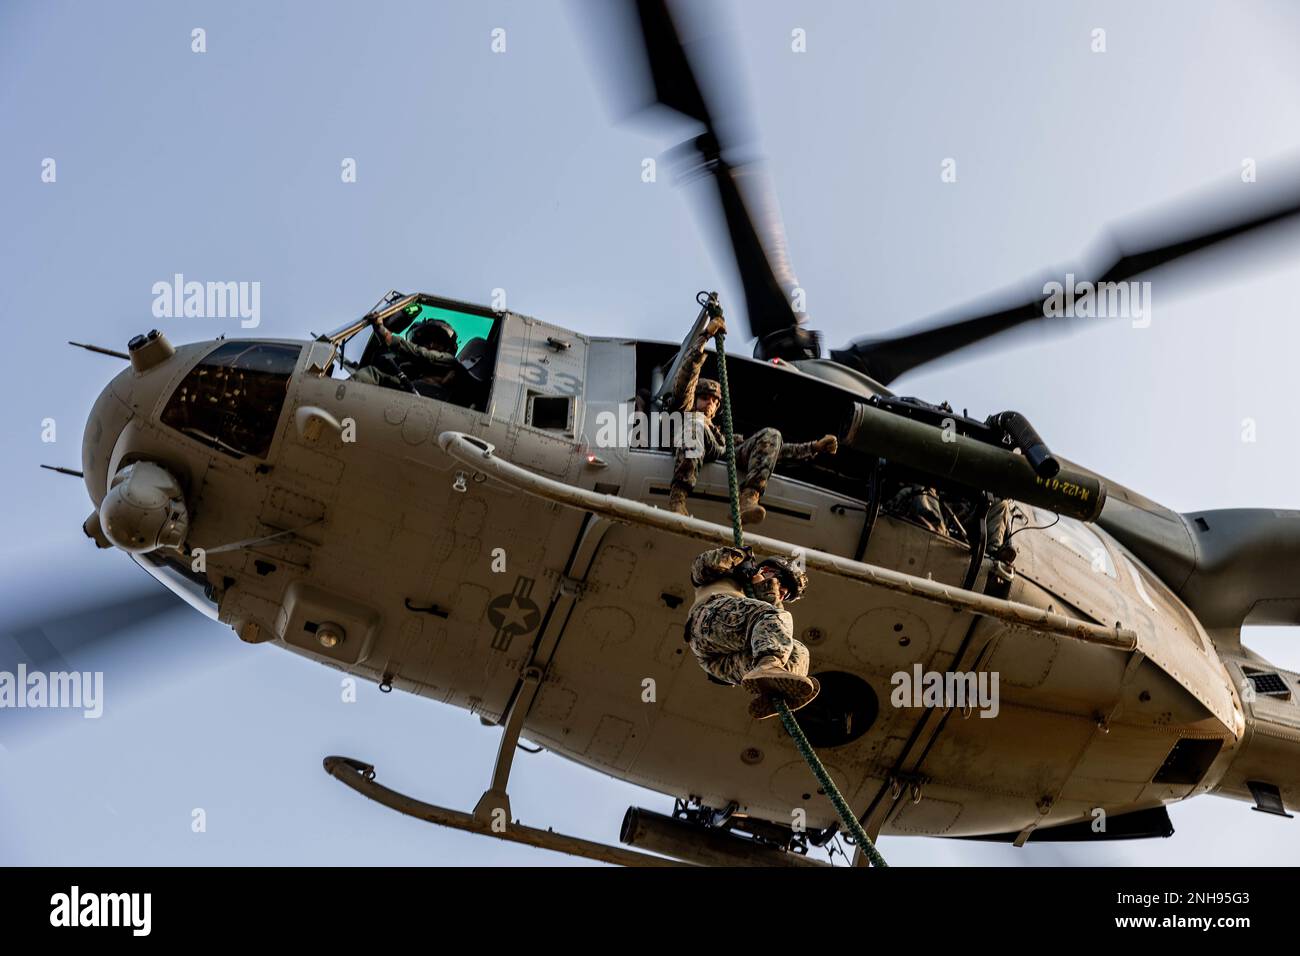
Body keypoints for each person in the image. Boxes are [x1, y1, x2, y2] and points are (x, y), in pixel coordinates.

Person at [666, 313, 838, 524]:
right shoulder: (685, 412)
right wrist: (705, 337)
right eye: (704, 398)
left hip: (721, 451)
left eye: (714, 400)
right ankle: (678, 499)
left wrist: (814, 447)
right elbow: (687, 376)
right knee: (695, 426)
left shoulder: (725, 437)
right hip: (696, 442)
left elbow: (774, 452)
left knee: (771, 435)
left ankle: (748, 499)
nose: (709, 403)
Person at [684, 545, 818, 719]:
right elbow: (702, 566)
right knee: (776, 616)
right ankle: (769, 666)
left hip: (719, 663)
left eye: (785, 595)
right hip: (710, 621)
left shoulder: (766, 605)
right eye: (781, 584)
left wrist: (768, 595)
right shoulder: (730, 578)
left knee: (798, 651)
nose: (781, 593)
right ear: (767, 570)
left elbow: (774, 631)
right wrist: (739, 559)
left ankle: (774, 690)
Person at [353, 313, 461, 400]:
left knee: (374, 374)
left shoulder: (449, 361)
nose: (431, 345)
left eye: (438, 341)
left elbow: (422, 354)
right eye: (426, 341)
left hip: (427, 406)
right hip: (410, 402)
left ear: (448, 347)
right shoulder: (412, 369)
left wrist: (386, 335)